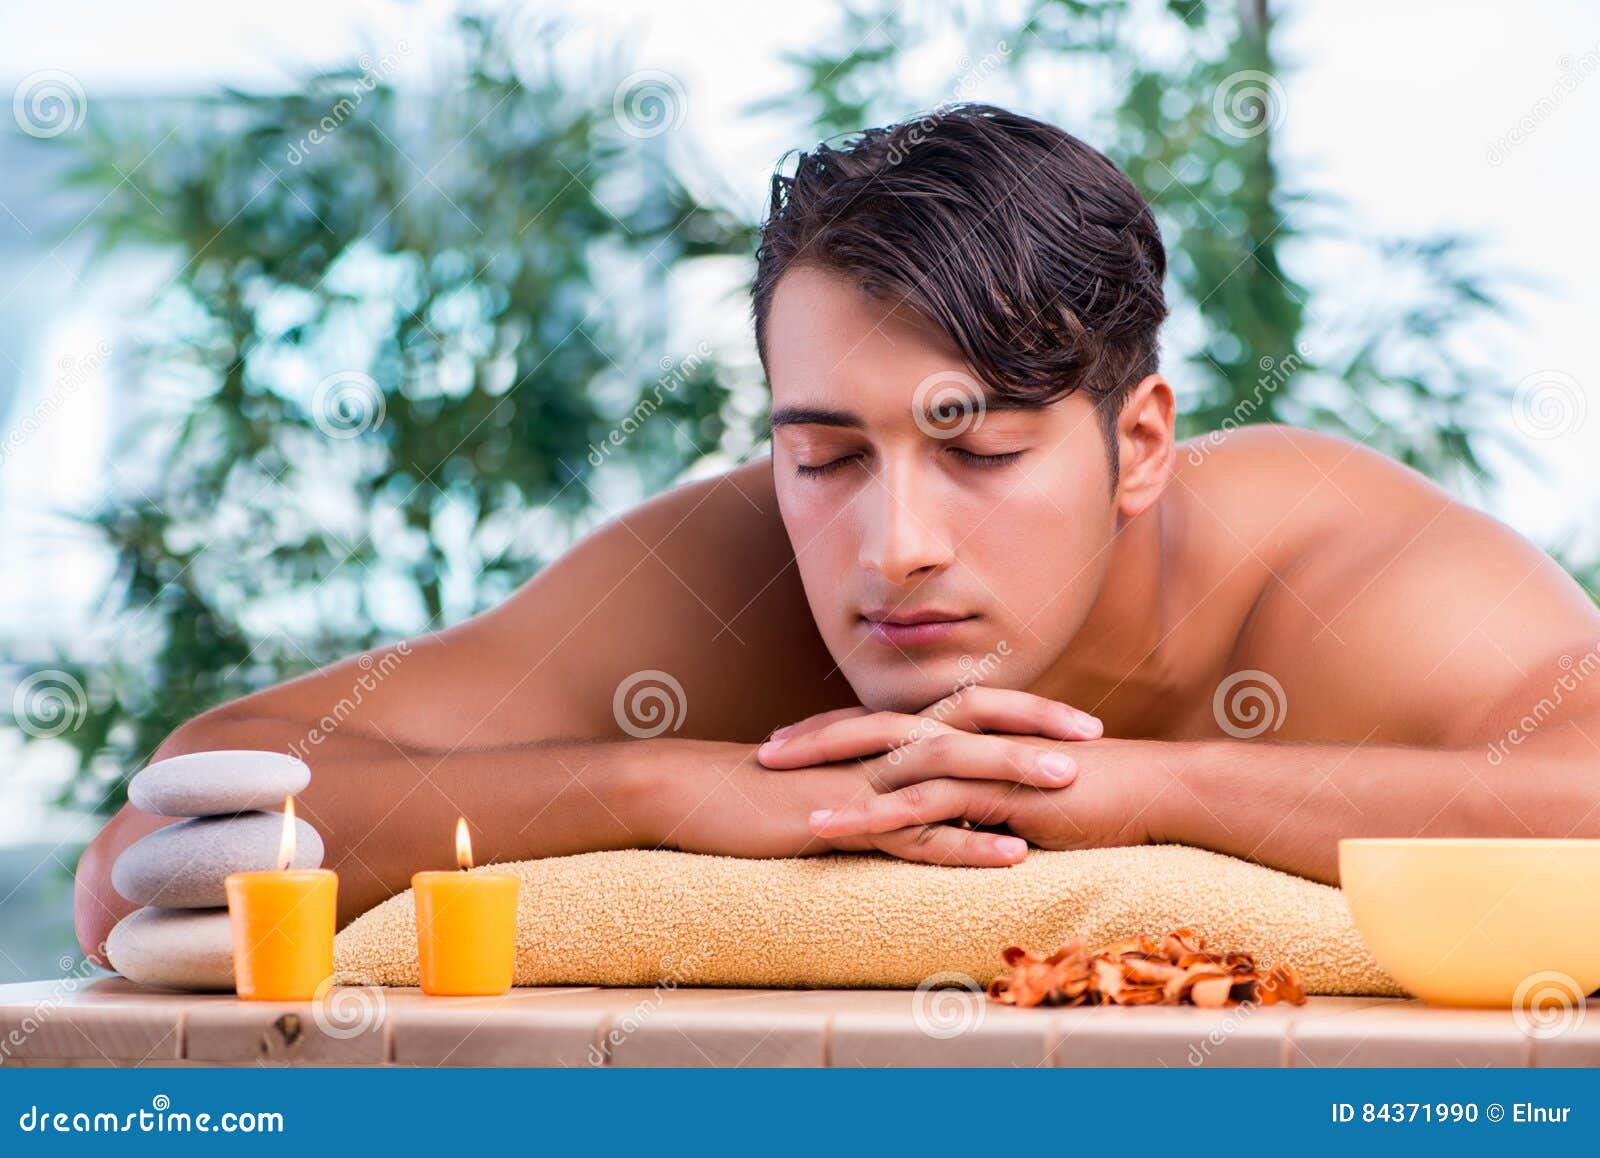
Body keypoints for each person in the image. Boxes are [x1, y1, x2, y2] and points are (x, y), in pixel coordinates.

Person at [75, 104, 1600, 964]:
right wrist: (662, 784)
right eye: (823, 456)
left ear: (1139, 442)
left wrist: (1154, 789)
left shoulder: (1339, 578)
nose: (894, 546)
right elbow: (143, 858)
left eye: (979, 450)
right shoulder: (722, 587)